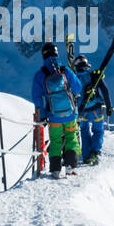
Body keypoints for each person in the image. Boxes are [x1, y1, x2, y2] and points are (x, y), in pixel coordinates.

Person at [31, 42, 83, 178]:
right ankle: (70, 167)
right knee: (71, 138)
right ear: (56, 54)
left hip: (54, 116)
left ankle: (55, 169)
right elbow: (78, 88)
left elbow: (37, 97)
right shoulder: (65, 70)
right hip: (71, 114)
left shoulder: (40, 74)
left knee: (55, 140)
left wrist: (42, 116)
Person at [73, 55, 111, 165]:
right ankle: (94, 153)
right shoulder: (94, 76)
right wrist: (109, 106)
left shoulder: (74, 79)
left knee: (84, 132)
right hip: (96, 110)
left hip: (82, 111)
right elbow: (105, 90)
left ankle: (86, 156)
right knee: (98, 131)